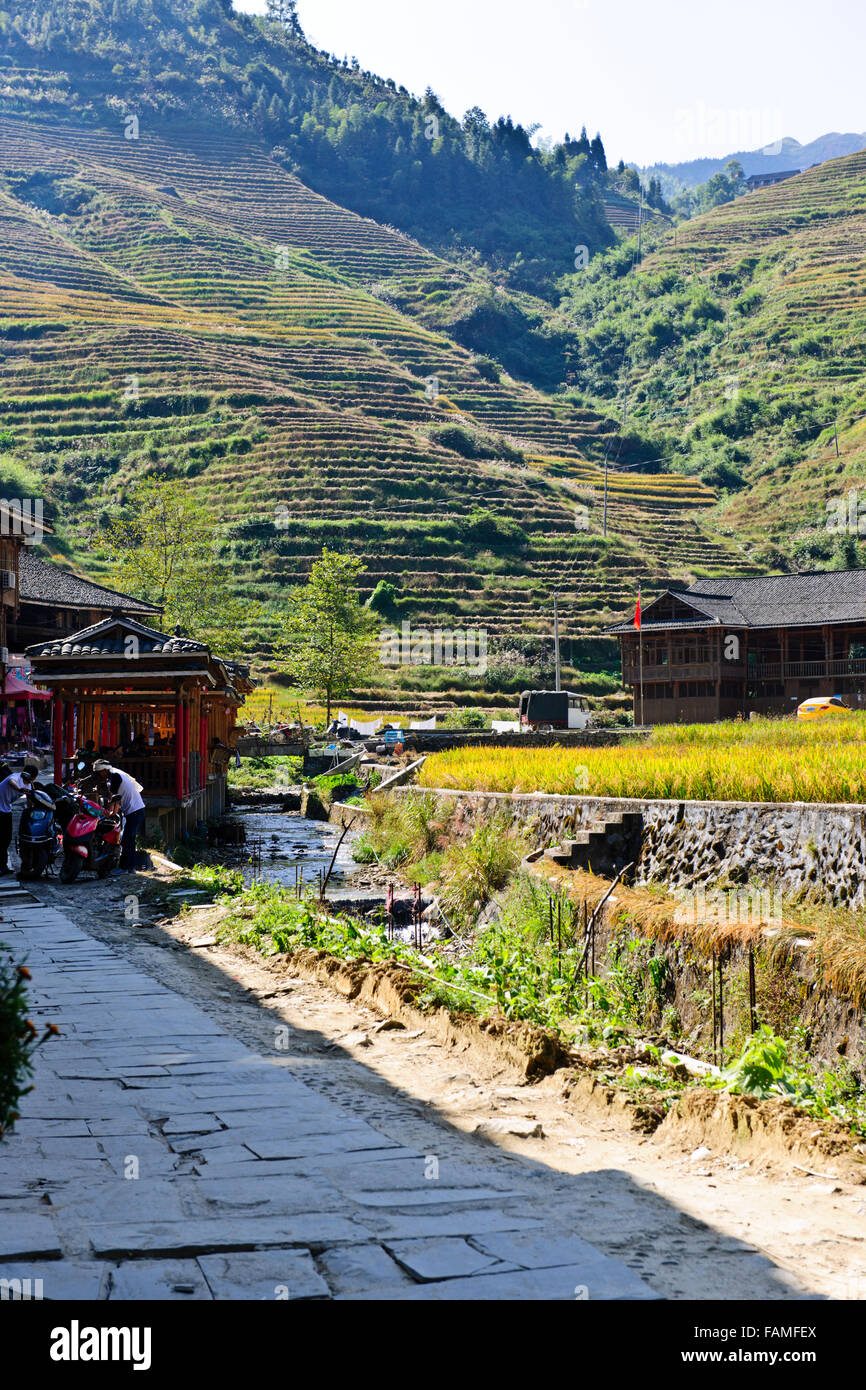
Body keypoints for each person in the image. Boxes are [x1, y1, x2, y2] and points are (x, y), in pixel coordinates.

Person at [92, 759, 146, 873]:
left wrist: (108, 811)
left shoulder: (115, 777)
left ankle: (126, 868)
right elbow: (117, 799)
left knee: (127, 840)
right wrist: (112, 813)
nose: (99, 775)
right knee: (129, 840)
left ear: (105, 770)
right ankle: (129, 867)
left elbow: (113, 799)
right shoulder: (115, 775)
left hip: (135, 811)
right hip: (136, 810)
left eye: (100, 772)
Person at [0, 768, 35, 875]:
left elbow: (30, 800)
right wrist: (19, 789)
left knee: (6, 839)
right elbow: (12, 782)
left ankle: (3, 866)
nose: (26, 783)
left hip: (6, 809)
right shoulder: (15, 777)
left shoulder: (28, 785)